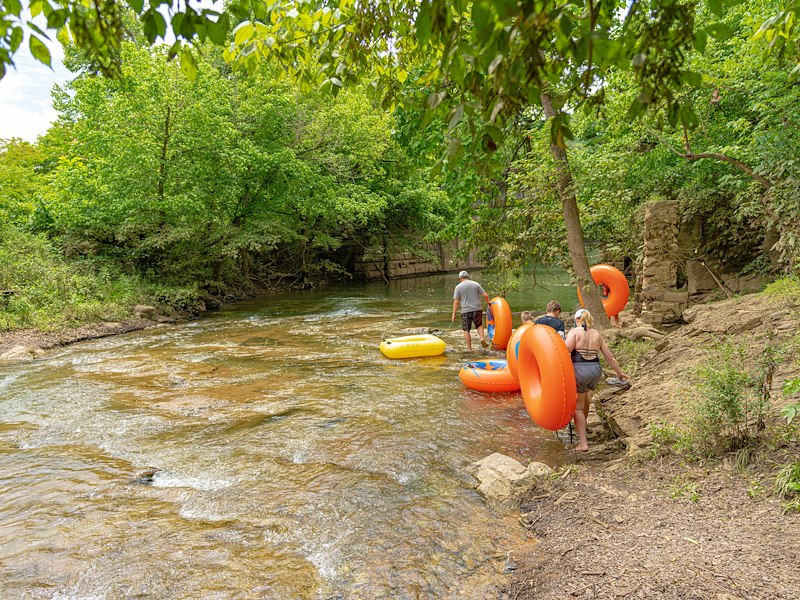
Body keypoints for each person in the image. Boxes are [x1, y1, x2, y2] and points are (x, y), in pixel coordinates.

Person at [564, 308, 628, 452]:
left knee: (578, 407)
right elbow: (609, 357)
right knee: (586, 397)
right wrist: (620, 373)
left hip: (579, 370)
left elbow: (565, 349)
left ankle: (583, 443)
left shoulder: (574, 332)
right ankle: (584, 426)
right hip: (595, 371)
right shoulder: (597, 334)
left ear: (577, 320)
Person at [451, 270, 490, 351]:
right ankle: (482, 338)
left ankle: (469, 348)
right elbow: (485, 295)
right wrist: (488, 302)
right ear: (468, 277)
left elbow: (456, 302)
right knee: (479, 325)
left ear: (460, 278)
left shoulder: (458, 287)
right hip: (477, 309)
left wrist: (453, 314)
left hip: (465, 311)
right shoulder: (475, 284)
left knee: (466, 330)